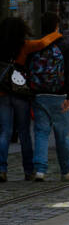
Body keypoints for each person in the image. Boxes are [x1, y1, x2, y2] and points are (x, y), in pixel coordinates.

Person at [27, 12, 69, 182]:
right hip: (59, 95)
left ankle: (40, 169)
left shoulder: (37, 45)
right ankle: (66, 167)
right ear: (56, 25)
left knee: (41, 132)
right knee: (61, 134)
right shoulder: (64, 45)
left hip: (39, 94)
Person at [0, 16, 38, 181]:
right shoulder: (25, 46)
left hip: (2, 93)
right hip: (21, 94)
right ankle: (28, 170)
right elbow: (43, 43)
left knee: (5, 132)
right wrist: (56, 34)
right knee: (24, 133)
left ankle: (1, 169)